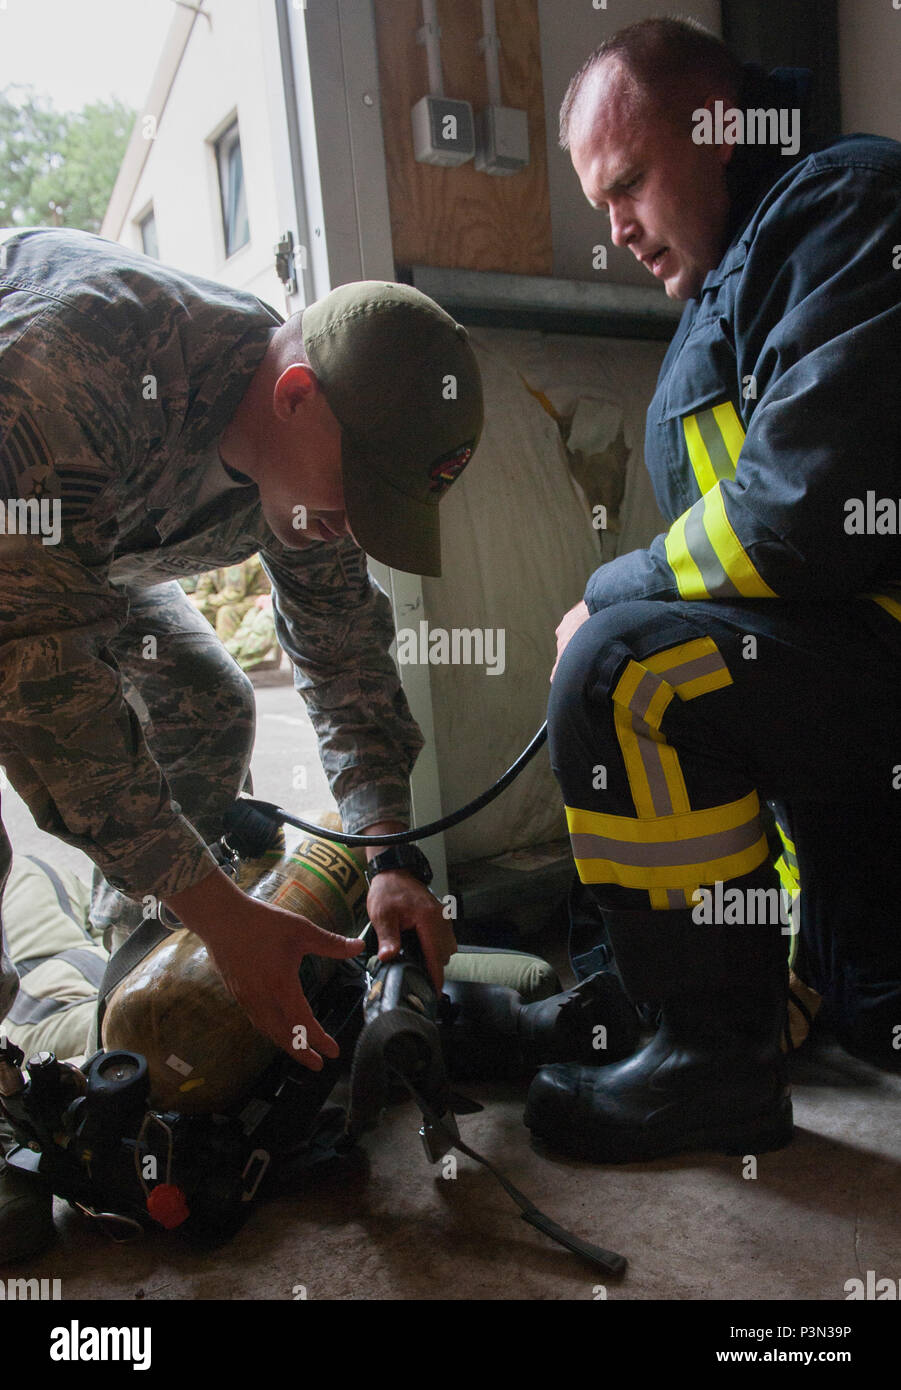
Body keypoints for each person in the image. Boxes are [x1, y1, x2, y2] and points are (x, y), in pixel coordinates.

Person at [0, 228, 482, 1252]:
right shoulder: (71, 380)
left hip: (68, 558)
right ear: (296, 394)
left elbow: (345, 653)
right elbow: (43, 689)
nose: (348, 528)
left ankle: (133, 967)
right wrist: (223, 910)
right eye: (355, 498)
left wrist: (390, 853)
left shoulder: (303, 460)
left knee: (206, 701)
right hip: (17, 532)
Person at [524, 17, 901, 1163]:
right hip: (860, 724)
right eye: (601, 202)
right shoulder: (722, 299)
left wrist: (609, 591)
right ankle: (690, 1010)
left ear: (724, 126)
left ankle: (710, 1069)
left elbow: (802, 519)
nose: (617, 228)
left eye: (629, 181)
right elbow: (760, 669)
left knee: (625, 664)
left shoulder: (847, 208)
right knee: (653, 653)